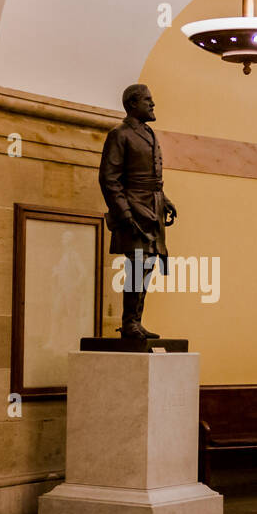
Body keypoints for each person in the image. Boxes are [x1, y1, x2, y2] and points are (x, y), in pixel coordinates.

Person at [98, 84, 177, 339]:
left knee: (148, 265)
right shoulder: (119, 135)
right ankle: (129, 323)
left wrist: (164, 199)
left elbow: (152, 176)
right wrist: (124, 213)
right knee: (137, 265)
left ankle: (136, 321)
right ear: (133, 104)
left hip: (152, 207)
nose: (153, 104)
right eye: (147, 100)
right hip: (134, 208)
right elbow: (109, 179)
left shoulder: (148, 133)